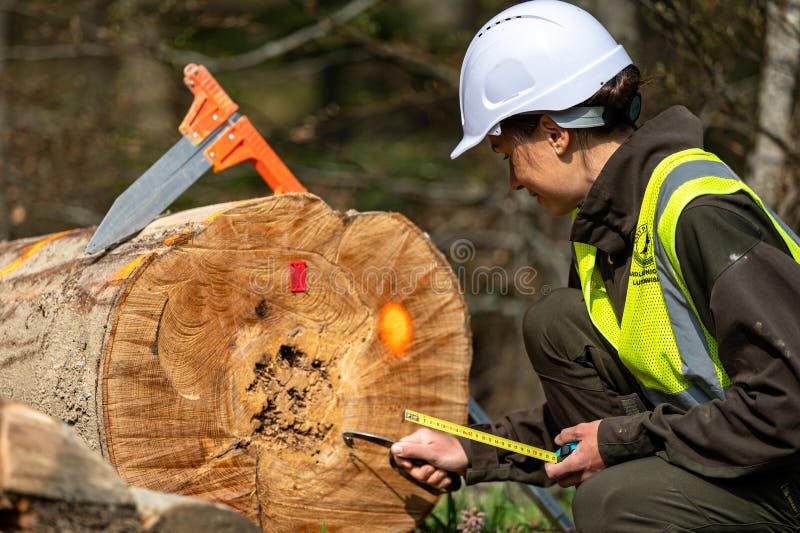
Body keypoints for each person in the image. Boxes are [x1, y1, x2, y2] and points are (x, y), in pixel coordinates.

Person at [389, 1, 800, 530]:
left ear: (554, 132)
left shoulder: (700, 212)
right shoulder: (612, 230)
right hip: (742, 459)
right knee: (556, 321)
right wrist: (472, 451)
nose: (512, 181)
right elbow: (608, 422)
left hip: (785, 468)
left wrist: (622, 443)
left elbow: (788, 401)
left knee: (612, 501)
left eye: (507, 153)